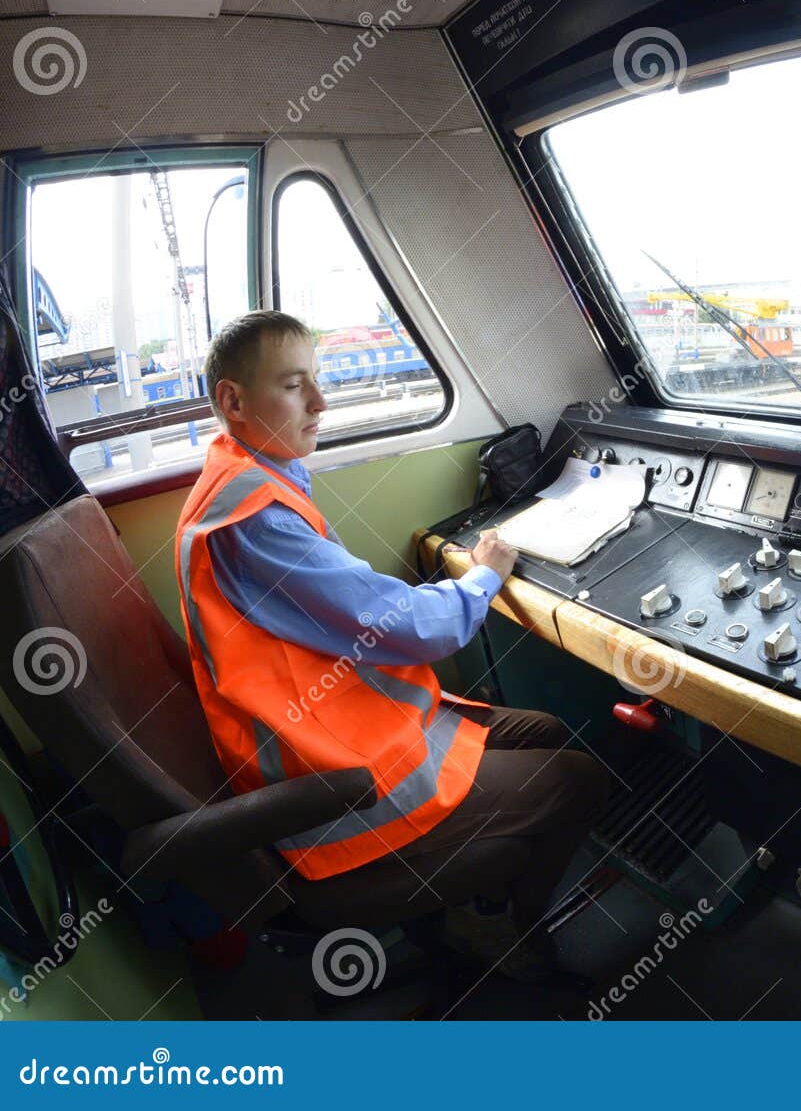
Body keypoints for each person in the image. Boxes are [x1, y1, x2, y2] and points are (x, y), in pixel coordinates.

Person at [174, 310, 607, 986]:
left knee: (545, 728)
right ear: (233, 400)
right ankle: (498, 929)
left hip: (353, 735)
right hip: (331, 785)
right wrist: (486, 572)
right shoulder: (252, 518)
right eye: (294, 386)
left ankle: (472, 902)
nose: (320, 402)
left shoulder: (252, 479)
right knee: (578, 779)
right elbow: (404, 627)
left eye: (316, 381)